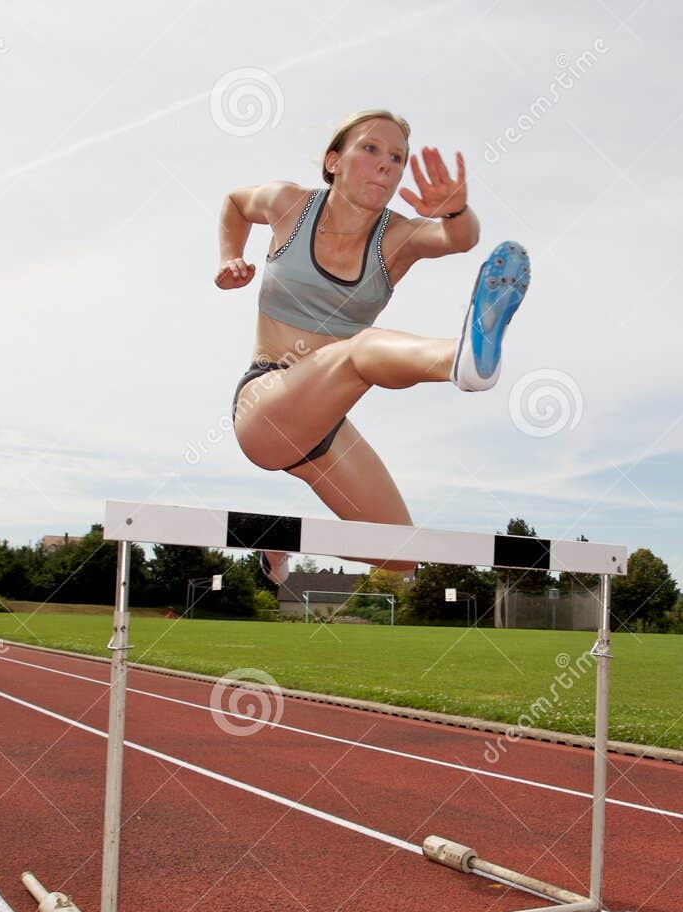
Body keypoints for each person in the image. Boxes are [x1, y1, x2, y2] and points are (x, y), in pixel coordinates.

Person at [216, 109, 529, 587]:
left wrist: (456, 210)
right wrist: (230, 257)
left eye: (397, 158)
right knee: (360, 351)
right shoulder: (289, 205)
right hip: (264, 403)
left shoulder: (398, 238)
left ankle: (282, 544)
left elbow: (458, 239)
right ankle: (459, 359)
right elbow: (236, 203)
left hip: (323, 425)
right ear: (333, 161)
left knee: (401, 554)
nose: (386, 164)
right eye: (371, 149)